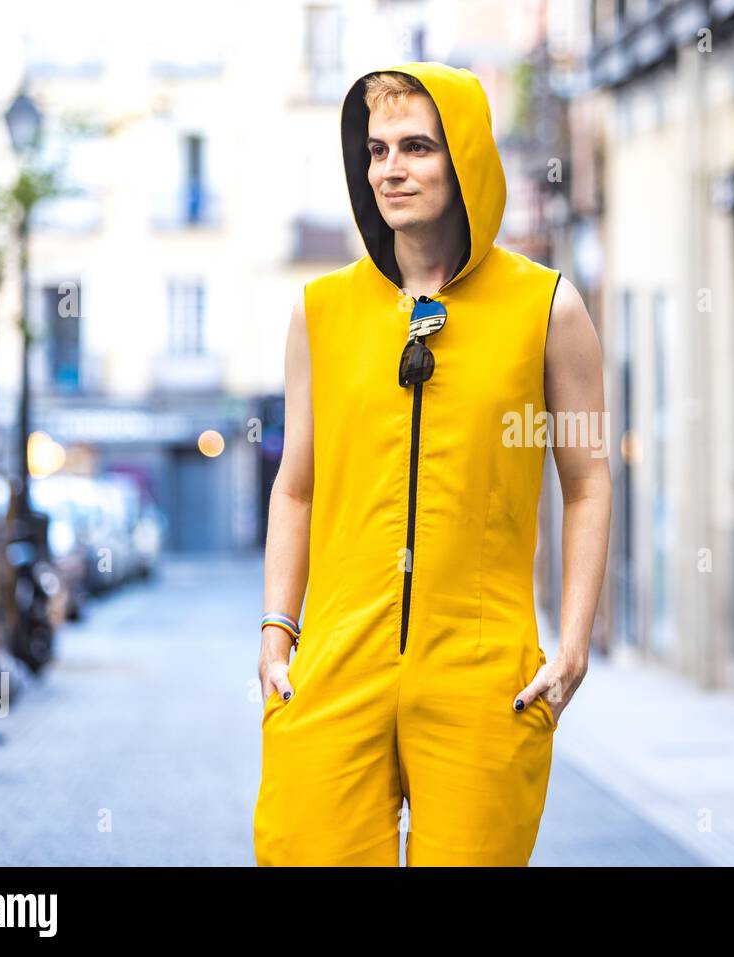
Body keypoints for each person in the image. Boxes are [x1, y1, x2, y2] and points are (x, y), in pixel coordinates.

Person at [252, 61, 611, 866]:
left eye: (417, 146)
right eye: (377, 150)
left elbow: (588, 481)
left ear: (467, 160)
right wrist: (278, 632)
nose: (390, 168)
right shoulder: (321, 313)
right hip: (336, 667)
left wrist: (575, 640)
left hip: (483, 675)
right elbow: (296, 486)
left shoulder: (547, 308)